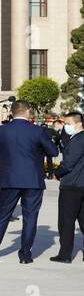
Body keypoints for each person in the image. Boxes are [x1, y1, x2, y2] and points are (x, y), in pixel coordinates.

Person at [0, 100, 59, 263]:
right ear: (28, 112)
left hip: (9, 178)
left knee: (2, 215)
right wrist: (37, 154)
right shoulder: (37, 131)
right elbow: (53, 151)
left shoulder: (1, 130)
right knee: (30, 217)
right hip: (32, 179)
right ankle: (25, 255)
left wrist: (5, 155)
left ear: (12, 112)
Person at [51, 111, 84, 263]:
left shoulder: (78, 139)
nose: (66, 126)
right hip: (80, 184)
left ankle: (64, 255)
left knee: (66, 221)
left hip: (72, 185)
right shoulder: (76, 138)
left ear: (78, 124)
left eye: (69, 124)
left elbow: (69, 163)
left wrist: (57, 173)